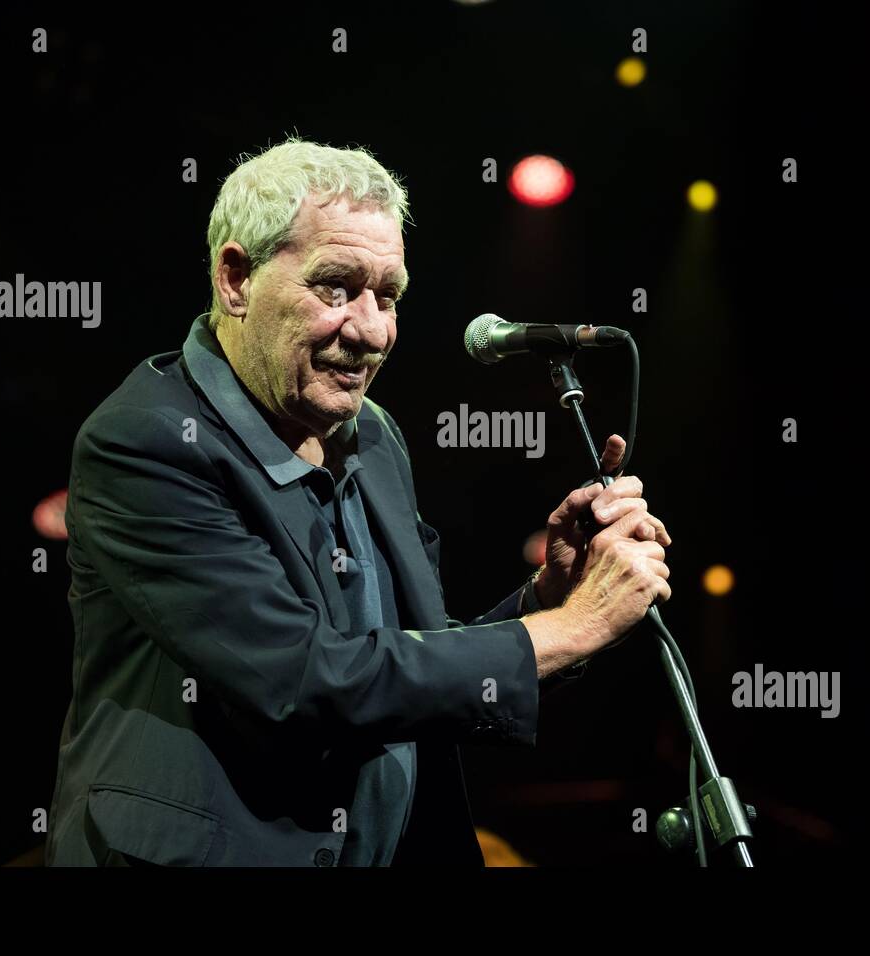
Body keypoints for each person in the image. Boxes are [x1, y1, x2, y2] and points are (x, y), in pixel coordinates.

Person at [45, 137, 672, 866]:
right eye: (335, 287)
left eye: (389, 295)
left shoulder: (371, 435)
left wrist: (546, 597)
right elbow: (306, 682)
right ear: (236, 278)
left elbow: (405, 662)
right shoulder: (148, 441)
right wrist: (573, 627)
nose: (371, 331)